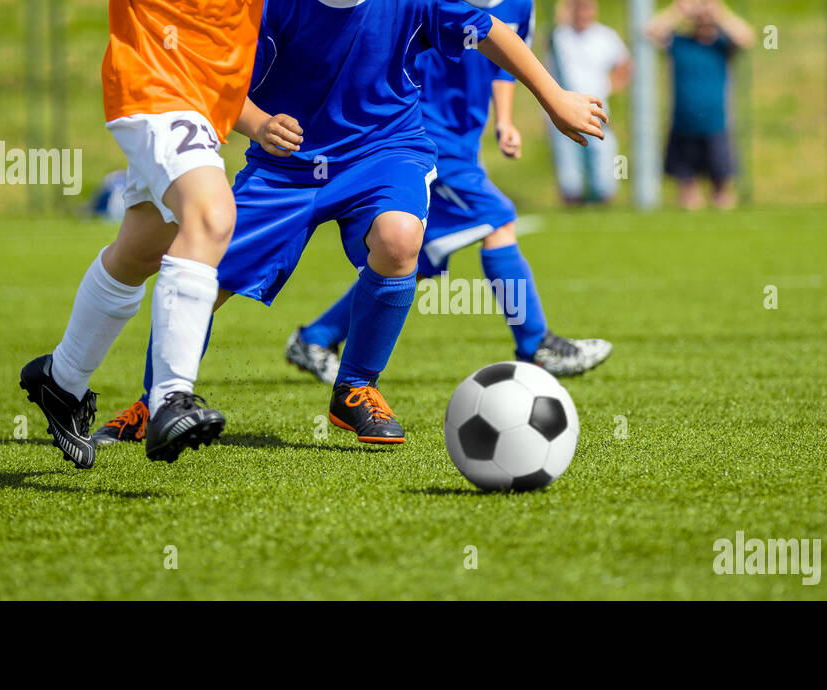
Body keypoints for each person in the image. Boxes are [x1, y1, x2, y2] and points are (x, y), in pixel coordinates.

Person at [88, 0, 608, 448]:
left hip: (384, 150)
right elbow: (216, 82)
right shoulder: (267, 6)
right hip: (285, 166)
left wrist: (554, 96)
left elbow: (491, 30)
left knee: (400, 237)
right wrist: (258, 123)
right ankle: (155, 402)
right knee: (206, 275)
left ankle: (356, 388)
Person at [273, 0, 612, 392]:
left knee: (418, 257)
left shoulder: (521, 5)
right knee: (499, 217)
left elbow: (506, 54)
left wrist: (503, 121)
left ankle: (315, 337)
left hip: (464, 142)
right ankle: (537, 345)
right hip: (425, 134)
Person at [19, 0, 265, 469]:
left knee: (142, 249)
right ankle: (170, 399)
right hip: (154, 82)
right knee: (211, 215)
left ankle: (61, 379)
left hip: (199, 95)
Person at [648, 0, 755, 210]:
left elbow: (746, 38)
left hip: (717, 125)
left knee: (722, 190)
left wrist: (720, 13)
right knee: (687, 191)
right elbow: (650, 32)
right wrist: (679, 10)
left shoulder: (721, 46)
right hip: (683, 125)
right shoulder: (680, 43)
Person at [547, 0, 630, 205]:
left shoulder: (606, 36)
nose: (583, 12)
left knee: (603, 159)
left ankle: (603, 200)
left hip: (596, 110)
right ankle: (572, 202)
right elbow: (550, 29)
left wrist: (607, 88)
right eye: (579, 7)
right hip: (564, 111)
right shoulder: (560, 36)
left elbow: (625, 66)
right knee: (569, 166)